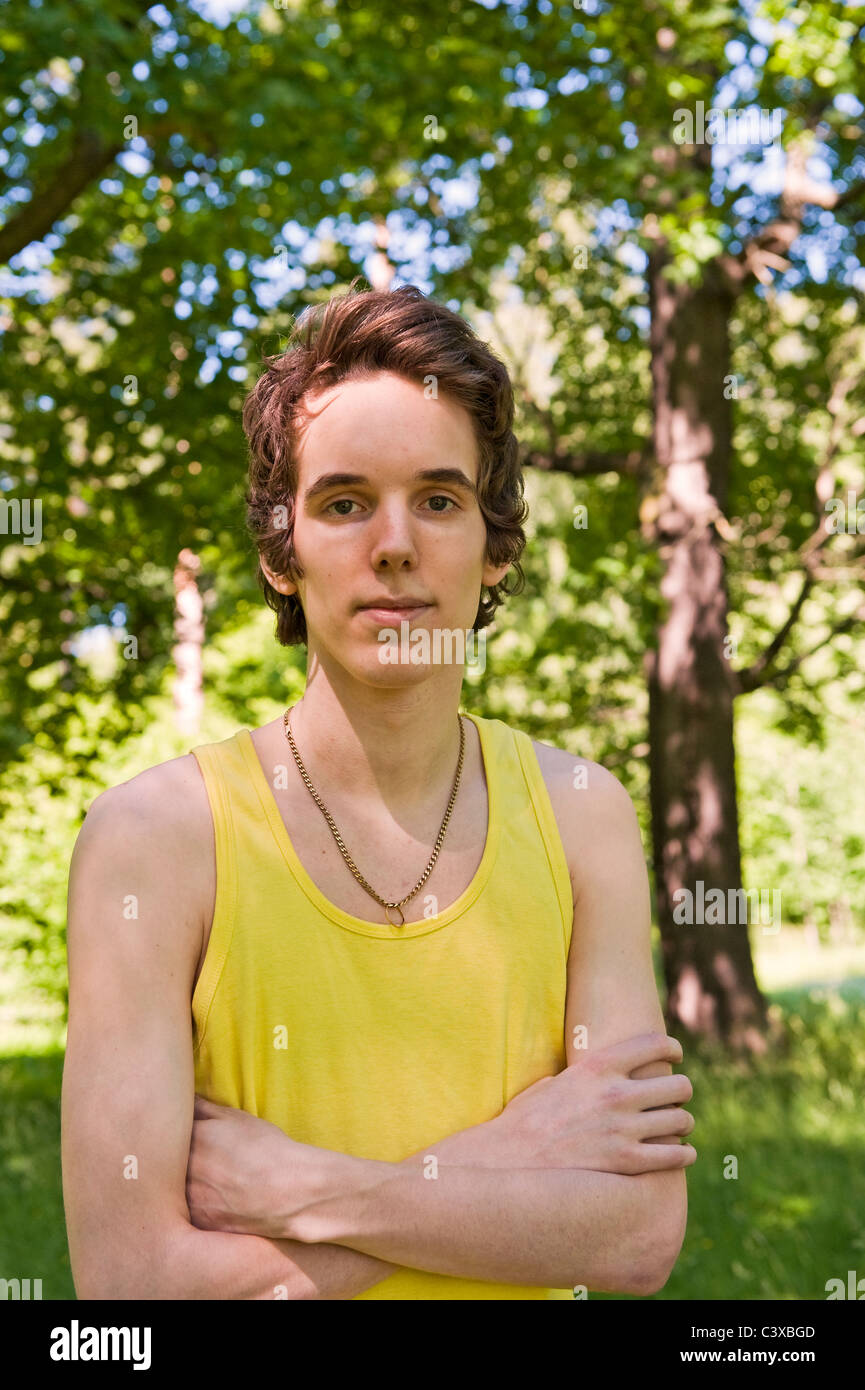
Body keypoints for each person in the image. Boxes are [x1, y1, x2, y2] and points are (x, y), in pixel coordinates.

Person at [61, 282, 695, 1301]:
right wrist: (514, 1162)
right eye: (345, 502)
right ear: (281, 552)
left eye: (439, 500)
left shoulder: (582, 813)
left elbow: (631, 1237)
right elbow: (129, 1284)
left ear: (495, 550)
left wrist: (317, 1190)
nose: (393, 543)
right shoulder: (154, 838)